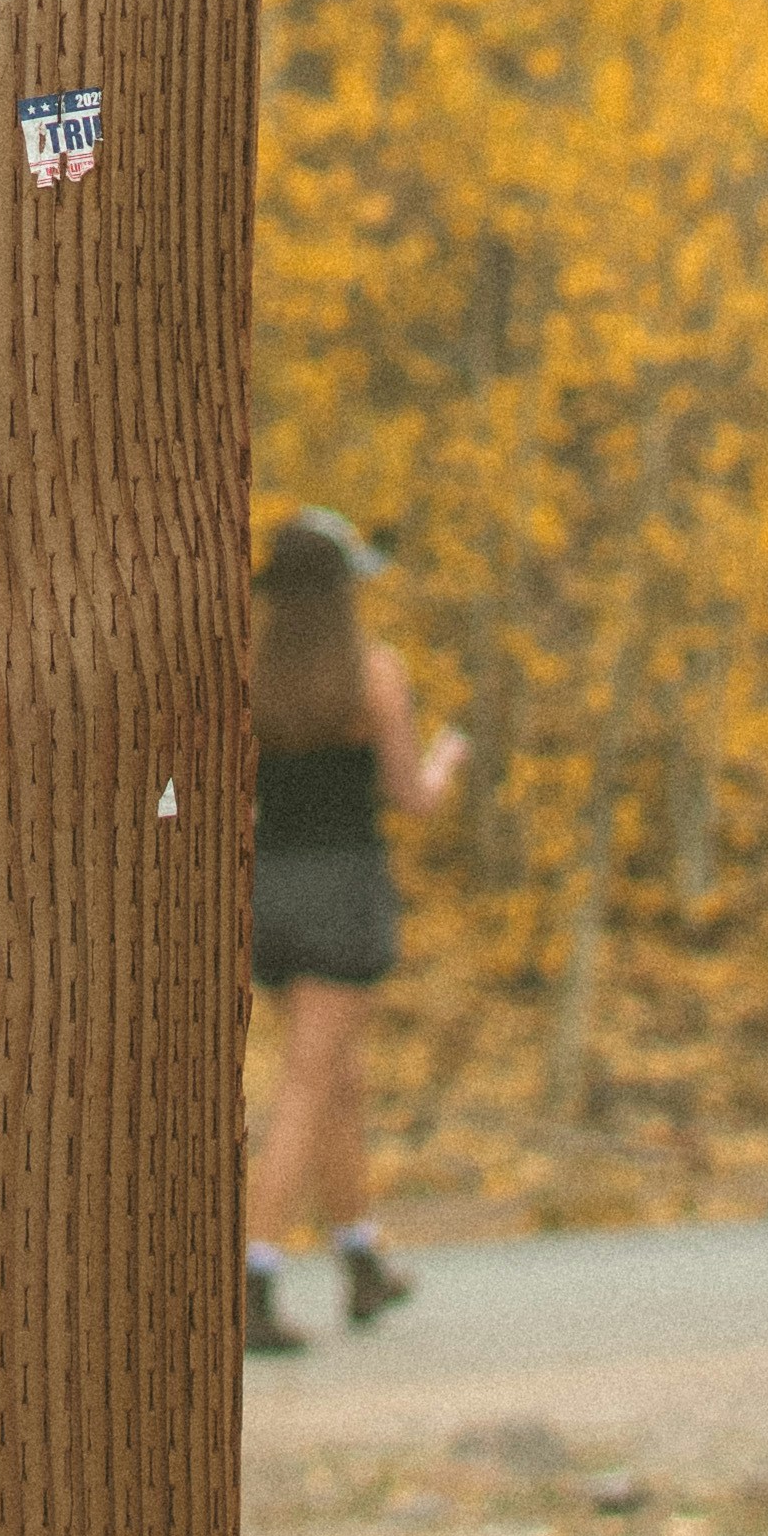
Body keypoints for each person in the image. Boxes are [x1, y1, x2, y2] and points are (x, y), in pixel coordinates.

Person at [245, 506, 465, 1357]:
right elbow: (411, 795)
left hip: (268, 890)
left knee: (337, 1079)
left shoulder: (247, 673)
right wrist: (447, 760)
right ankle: (254, 1277)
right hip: (342, 888)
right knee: (309, 1083)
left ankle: (361, 1258)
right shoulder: (374, 676)